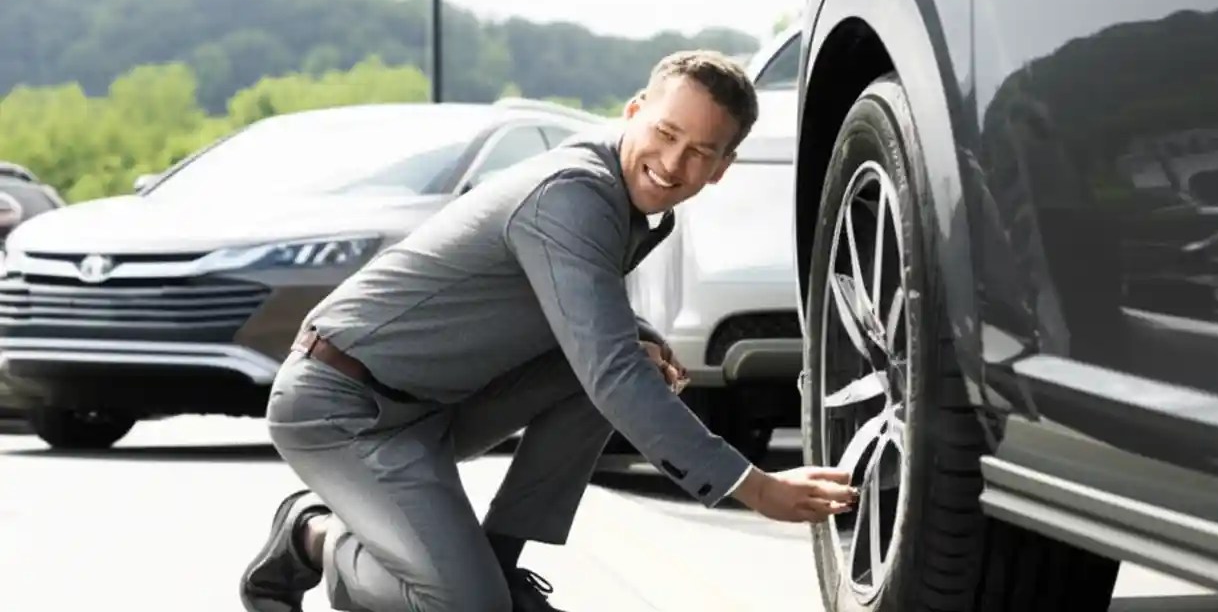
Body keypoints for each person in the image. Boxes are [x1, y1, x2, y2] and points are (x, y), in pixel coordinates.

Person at [239, 50, 858, 612]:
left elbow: (569, 309)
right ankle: (311, 536)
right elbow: (610, 375)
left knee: (628, 362)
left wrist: (635, 334)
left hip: (432, 408)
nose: (673, 163)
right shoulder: (573, 194)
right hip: (341, 404)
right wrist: (755, 487)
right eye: (666, 133)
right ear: (635, 111)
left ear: (723, 167)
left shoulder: (629, 203)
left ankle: (500, 565)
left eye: (700, 152)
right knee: (462, 606)